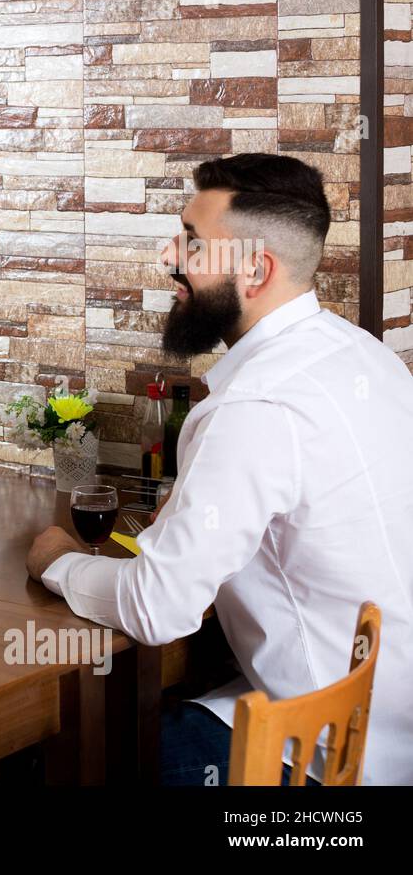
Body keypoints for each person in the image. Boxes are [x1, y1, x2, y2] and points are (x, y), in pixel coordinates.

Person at [25, 153, 413, 785]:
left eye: (193, 242)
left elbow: (158, 608)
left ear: (255, 270)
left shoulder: (254, 405)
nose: (170, 256)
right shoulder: (366, 355)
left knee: (65, 758)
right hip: (392, 720)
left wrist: (56, 562)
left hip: (330, 758)